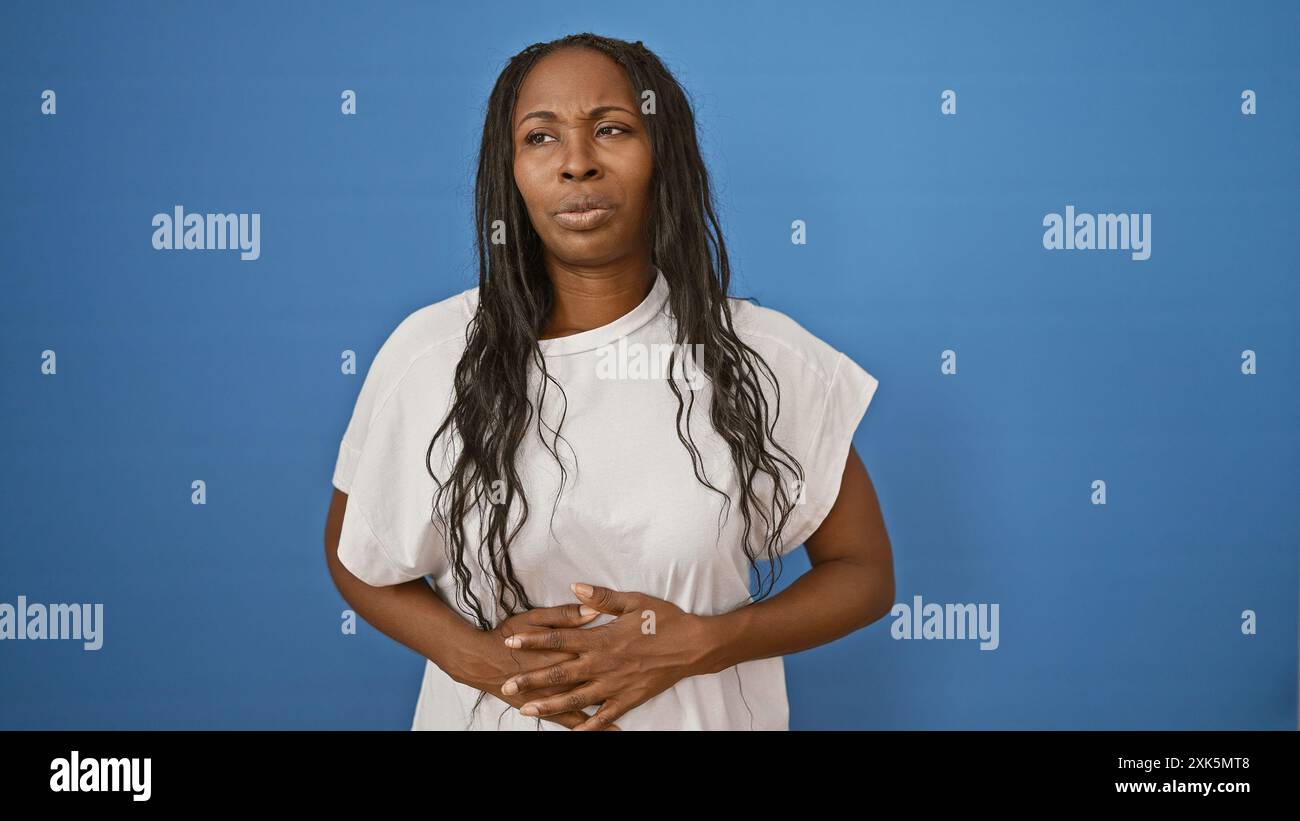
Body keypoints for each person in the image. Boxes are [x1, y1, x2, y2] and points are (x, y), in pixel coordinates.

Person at [323, 32, 894, 731]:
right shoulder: (430, 355)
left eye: (612, 130)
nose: (577, 164)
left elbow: (863, 572)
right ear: (511, 172)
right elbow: (356, 548)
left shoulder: (761, 358)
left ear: (664, 158)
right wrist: (473, 657)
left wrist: (703, 645)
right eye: (541, 137)